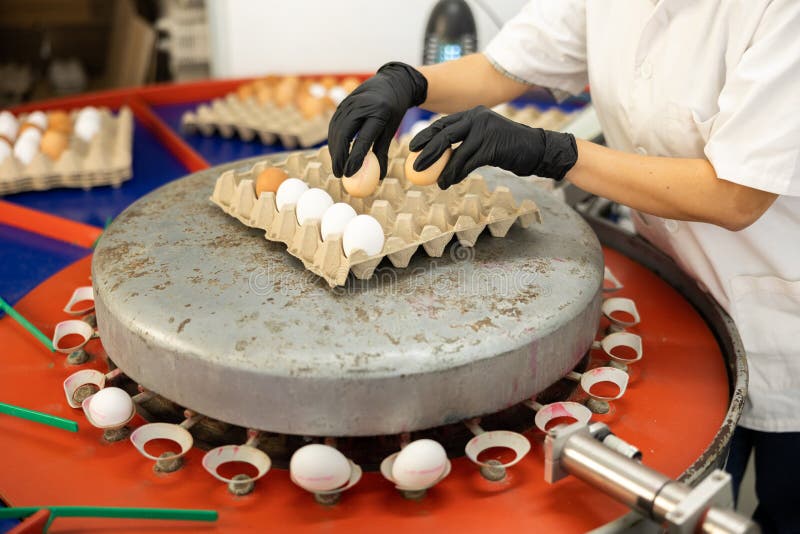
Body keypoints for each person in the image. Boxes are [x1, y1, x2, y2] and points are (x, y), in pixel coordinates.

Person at [328, 1, 800, 532]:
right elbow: (503, 67)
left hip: (789, 324)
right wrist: (408, 82)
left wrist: (555, 153)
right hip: (691, 305)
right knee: (696, 486)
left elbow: (736, 196)